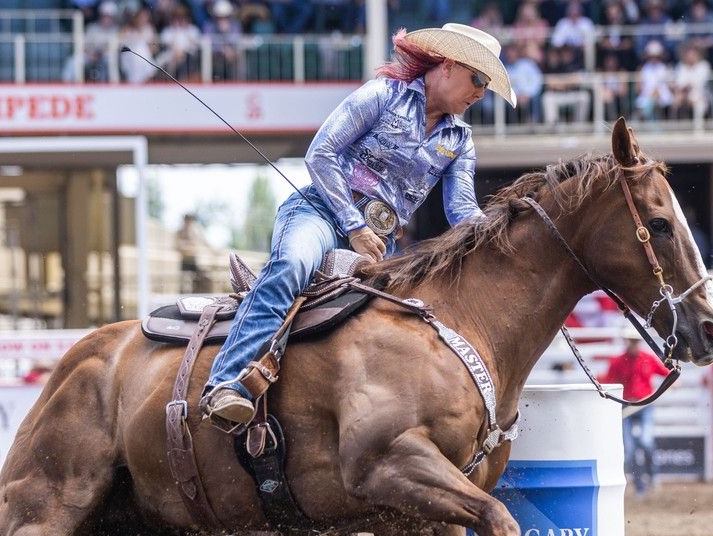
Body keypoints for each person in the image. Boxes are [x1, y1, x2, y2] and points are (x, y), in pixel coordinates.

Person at [201, 23, 516, 426]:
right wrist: (354, 226)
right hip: (319, 213)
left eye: (486, 85)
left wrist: (502, 237)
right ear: (449, 66)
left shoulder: (459, 140)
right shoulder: (383, 94)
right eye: (478, 79)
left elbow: (461, 210)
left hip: (379, 244)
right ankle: (226, 385)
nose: (481, 93)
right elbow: (321, 154)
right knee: (292, 266)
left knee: (411, 315)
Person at [601, 327, 670, 496]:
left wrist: (672, 381)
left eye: (635, 341)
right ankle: (640, 486)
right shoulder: (617, 361)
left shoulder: (648, 359)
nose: (633, 344)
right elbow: (608, 380)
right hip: (626, 406)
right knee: (629, 449)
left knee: (646, 442)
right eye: (631, 341)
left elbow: (666, 373)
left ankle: (653, 475)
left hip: (645, 405)